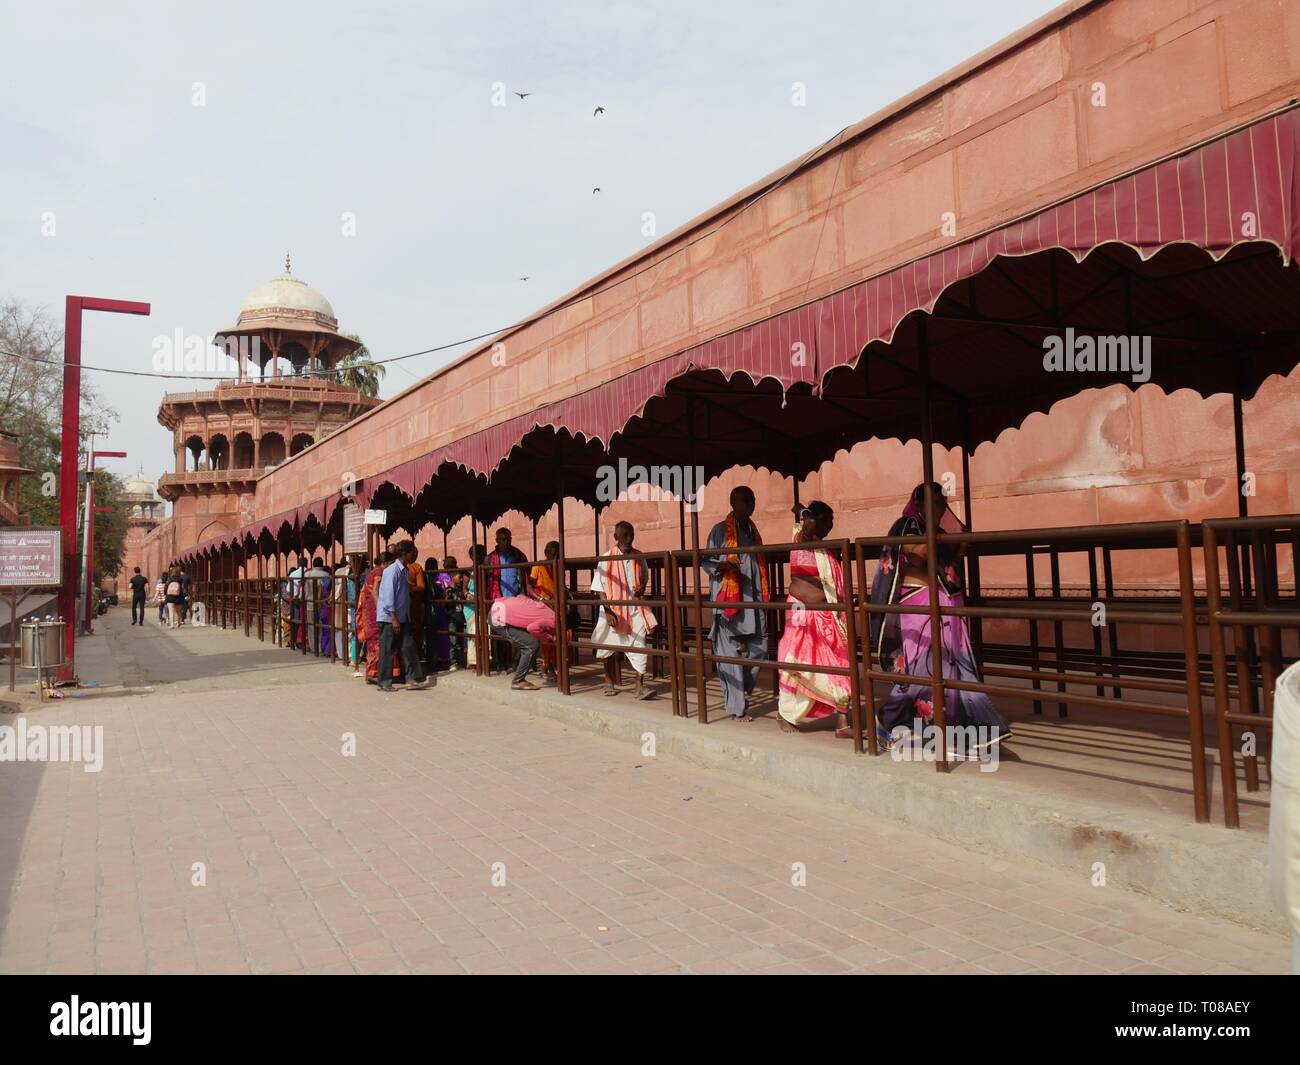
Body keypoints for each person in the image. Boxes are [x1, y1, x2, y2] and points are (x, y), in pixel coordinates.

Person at [870, 482, 1010, 754]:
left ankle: (963, 732)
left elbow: (952, 558)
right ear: (919, 503)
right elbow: (918, 554)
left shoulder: (937, 530)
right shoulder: (907, 525)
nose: (938, 509)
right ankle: (887, 719)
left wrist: (956, 541)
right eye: (932, 503)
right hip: (917, 605)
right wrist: (941, 535)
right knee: (920, 671)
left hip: (943, 604)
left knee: (954, 667)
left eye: (941, 504)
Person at [778, 502, 851, 732]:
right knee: (798, 665)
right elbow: (806, 522)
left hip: (827, 615)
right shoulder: (803, 539)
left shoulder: (823, 548)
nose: (832, 524)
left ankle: (843, 720)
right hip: (803, 614)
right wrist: (805, 513)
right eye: (828, 520)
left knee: (840, 662)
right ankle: (786, 714)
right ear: (816, 520)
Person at [701, 486, 770, 721]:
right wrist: (724, 565)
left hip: (753, 599)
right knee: (729, 654)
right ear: (733, 503)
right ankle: (737, 708)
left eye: (752, 499)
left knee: (760, 647)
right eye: (744, 500)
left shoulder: (753, 530)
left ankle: (740, 690)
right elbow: (705, 560)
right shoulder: (720, 531)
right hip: (728, 600)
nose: (750, 504)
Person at [591, 521, 656, 700]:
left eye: (631, 535)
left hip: (635, 608)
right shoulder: (606, 558)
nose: (628, 539)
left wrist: (642, 587)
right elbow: (599, 588)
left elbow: (644, 576)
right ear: (616, 537)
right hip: (612, 608)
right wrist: (608, 611)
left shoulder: (639, 556)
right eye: (625, 535)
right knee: (607, 644)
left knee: (640, 643)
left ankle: (639, 687)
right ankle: (608, 680)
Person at [376, 540, 430, 693]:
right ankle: (384, 682)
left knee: (408, 647)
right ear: (406, 553)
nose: (414, 555)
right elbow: (388, 596)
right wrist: (393, 618)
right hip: (390, 618)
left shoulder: (404, 570)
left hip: (402, 616)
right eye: (412, 552)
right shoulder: (392, 571)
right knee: (387, 650)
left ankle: (411, 679)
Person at [488, 593, 557, 691]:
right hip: (498, 618)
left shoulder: (547, 608)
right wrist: (549, 638)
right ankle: (518, 681)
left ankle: (520, 671)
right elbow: (532, 628)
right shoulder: (553, 622)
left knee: (528, 641)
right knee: (532, 645)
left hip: (498, 606)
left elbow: (521, 596)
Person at [486, 528, 528, 673]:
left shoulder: (518, 555)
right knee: (498, 633)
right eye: (503, 539)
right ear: (497, 540)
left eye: (508, 538)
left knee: (516, 632)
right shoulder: (490, 558)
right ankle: (500, 663)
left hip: (515, 599)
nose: (506, 542)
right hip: (498, 599)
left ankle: (515, 663)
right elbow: (484, 581)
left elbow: (525, 576)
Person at [528, 541, 565, 683]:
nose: (555, 557)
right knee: (547, 637)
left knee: (559, 635)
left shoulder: (559, 566)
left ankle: (551, 665)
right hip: (543, 606)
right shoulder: (538, 566)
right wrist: (541, 599)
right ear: (546, 553)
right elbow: (529, 587)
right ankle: (549, 667)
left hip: (557, 605)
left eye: (557, 555)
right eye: (552, 554)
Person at [464, 544, 485, 670]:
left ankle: (485, 659)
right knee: (473, 632)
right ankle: (473, 661)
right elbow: (464, 590)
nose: (479, 557)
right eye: (476, 554)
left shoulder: (486, 570)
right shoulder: (468, 572)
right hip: (471, 607)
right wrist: (468, 595)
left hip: (483, 604)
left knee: (484, 631)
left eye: (481, 554)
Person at [333, 557, 358, 664]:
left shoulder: (340, 571)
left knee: (343, 629)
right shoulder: (348, 572)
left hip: (342, 602)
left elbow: (336, 590)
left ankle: (344, 654)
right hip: (347, 602)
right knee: (350, 629)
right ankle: (351, 655)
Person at [304, 556, 331, 655]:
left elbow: (304, 590)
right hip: (323, 604)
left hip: (310, 603)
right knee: (321, 627)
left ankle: (313, 647)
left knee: (311, 626)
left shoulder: (307, 575)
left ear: (313, 564)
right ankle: (320, 647)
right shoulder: (326, 575)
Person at [444, 556, 467, 670]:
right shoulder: (449, 590)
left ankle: (460, 660)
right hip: (452, 618)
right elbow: (446, 604)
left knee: (461, 640)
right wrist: (447, 597)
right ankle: (452, 662)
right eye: (459, 577)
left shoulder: (459, 590)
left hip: (460, 617)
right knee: (453, 640)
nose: (461, 579)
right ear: (453, 577)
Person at [407, 549, 427, 668]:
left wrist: (409, 590)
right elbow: (421, 586)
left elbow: (421, 587)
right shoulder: (415, 567)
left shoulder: (416, 567)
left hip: (413, 604)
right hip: (412, 605)